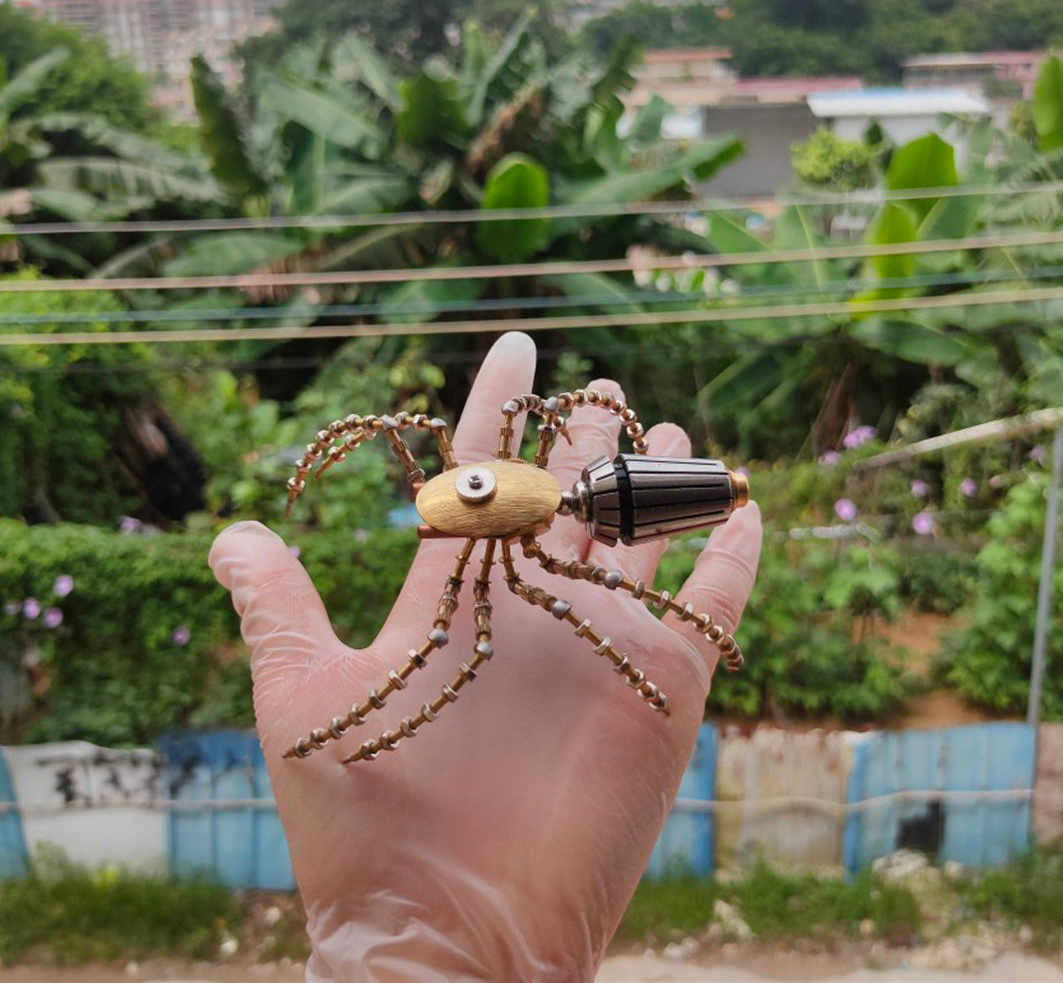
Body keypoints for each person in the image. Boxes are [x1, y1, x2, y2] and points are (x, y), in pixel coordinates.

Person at [209, 332, 762, 983]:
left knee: (474, 644)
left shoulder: (513, 539)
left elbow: (470, 652)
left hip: (615, 487)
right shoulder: (495, 509)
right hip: (608, 484)